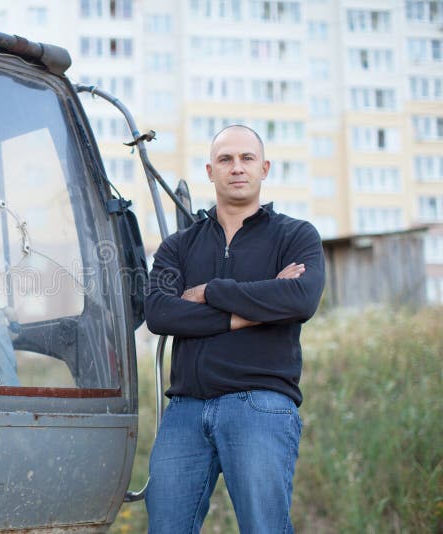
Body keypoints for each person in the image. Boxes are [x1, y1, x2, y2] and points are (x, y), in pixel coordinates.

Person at [144, 125, 325, 533]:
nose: (237, 167)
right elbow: (159, 313)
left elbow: (300, 300)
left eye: (247, 158)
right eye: (225, 159)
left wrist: (211, 291)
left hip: (259, 404)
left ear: (264, 168)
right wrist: (251, 310)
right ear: (210, 171)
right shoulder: (178, 246)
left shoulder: (296, 235)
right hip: (186, 409)